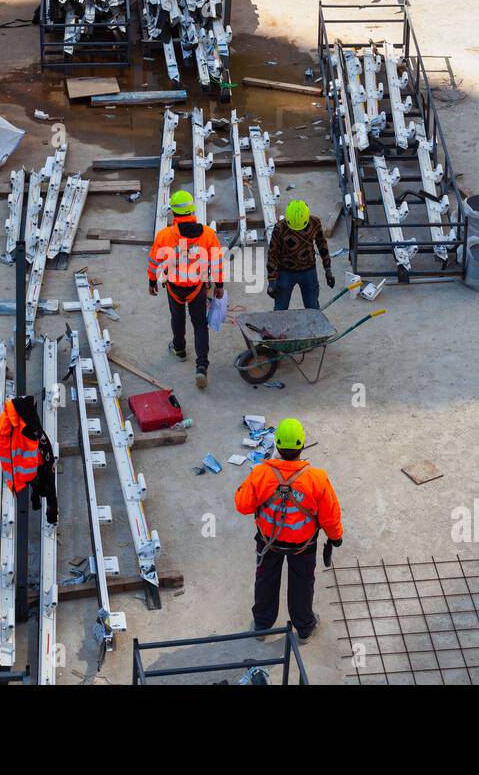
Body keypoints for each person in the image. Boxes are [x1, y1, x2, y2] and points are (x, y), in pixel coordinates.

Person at [233, 418, 342, 644]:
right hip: (303, 546)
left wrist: (249, 483)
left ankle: (262, 627)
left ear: (277, 447)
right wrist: (335, 537)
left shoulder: (261, 473)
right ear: (302, 446)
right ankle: (304, 628)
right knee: (302, 585)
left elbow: (243, 506)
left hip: (268, 543)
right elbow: (329, 513)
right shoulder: (317, 478)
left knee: (265, 582)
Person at [147, 190, 224, 389]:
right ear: (192, 210)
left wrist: (152, 281)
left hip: (174, 288)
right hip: (197, 288)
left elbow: (154, 261)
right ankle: (201, 367)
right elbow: (216, 262)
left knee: (177, 317)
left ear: (173, 212)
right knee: (199, 325)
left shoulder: (164, 235)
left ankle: (180, 349)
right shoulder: (207, 234)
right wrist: (219, 285)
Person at [0, 394, 57, 524]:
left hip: (20, 476)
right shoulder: (29, 427)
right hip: (24, 474)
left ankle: (35, 501)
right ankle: (35, 501)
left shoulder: (5, 420)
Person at [267, 200, 334, 311]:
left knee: (312, 308)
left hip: (308, 271)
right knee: (280, 310)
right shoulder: (279, 228)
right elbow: (272, 254)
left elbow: (322, 245)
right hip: (285, 272)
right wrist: (271, 280)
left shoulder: (315, 223)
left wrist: (328, 269)